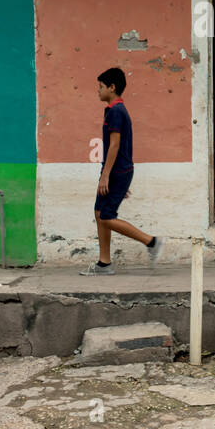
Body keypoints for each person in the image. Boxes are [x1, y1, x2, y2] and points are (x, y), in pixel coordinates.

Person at [80, 67, 163, 275]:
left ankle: (151, 242)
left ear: (112, 87)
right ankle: (104, 263)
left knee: (107, 216)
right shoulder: (114, 110)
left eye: (100, 87)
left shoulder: (116, 111)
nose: (97, 91)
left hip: (117, 171)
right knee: (99, 213)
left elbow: (114, 145)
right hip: (117, 172)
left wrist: (107, 176)